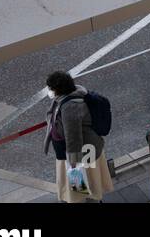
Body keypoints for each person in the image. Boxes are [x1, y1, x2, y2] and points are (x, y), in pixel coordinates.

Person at [44, 71, 113, 202]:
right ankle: (91, 198)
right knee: (90, 178)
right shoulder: (74, 94)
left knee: (84, 181)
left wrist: (73, 163)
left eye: (51, 88)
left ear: (58, 89)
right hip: (89, 146)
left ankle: (89, 199)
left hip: (82, 150)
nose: (50, 91)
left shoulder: (70, 106)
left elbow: (73, 136)